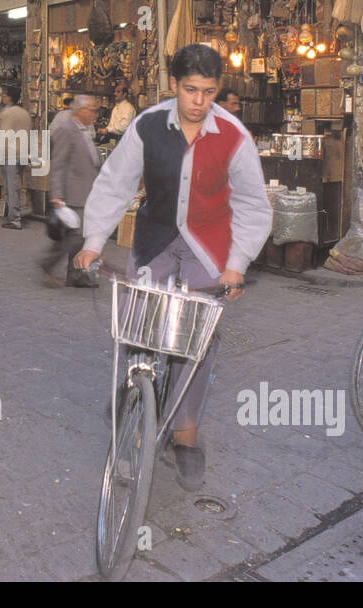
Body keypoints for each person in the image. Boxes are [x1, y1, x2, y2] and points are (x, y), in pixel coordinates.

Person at [74, 43, 271, 490]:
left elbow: (252, 205)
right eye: (190, 90)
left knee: (199, 337)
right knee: (136, 323)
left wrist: (237, 265)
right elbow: (114, 184)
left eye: (208, 91)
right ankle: (130, 399)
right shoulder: (146, 126)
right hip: (156, 238)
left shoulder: (235, 136)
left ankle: (185, 433)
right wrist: (92, 243)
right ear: (173, 86)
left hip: (208, 245)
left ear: (217, 90)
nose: (199, 101)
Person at [44, 94, 102, 287]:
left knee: (80, 236)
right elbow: (58, 164)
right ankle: (49, 264)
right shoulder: (66, 130)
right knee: (75, 236)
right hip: (73, 192)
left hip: (86, 191)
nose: (95, 114)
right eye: (93, 110)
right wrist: (57, 194)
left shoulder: (84, 130)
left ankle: (75, 275)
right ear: (81, 110)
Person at [0, 86, 32, 230]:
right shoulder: (25, 113)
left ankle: (15, 219)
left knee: (11, 188)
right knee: (17, 185)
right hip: (23, 153)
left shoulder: (8, 113)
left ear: (9, 97)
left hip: (11, 154)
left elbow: (4, 135)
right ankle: (20, 211)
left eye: (4, 95)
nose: (3, 97)